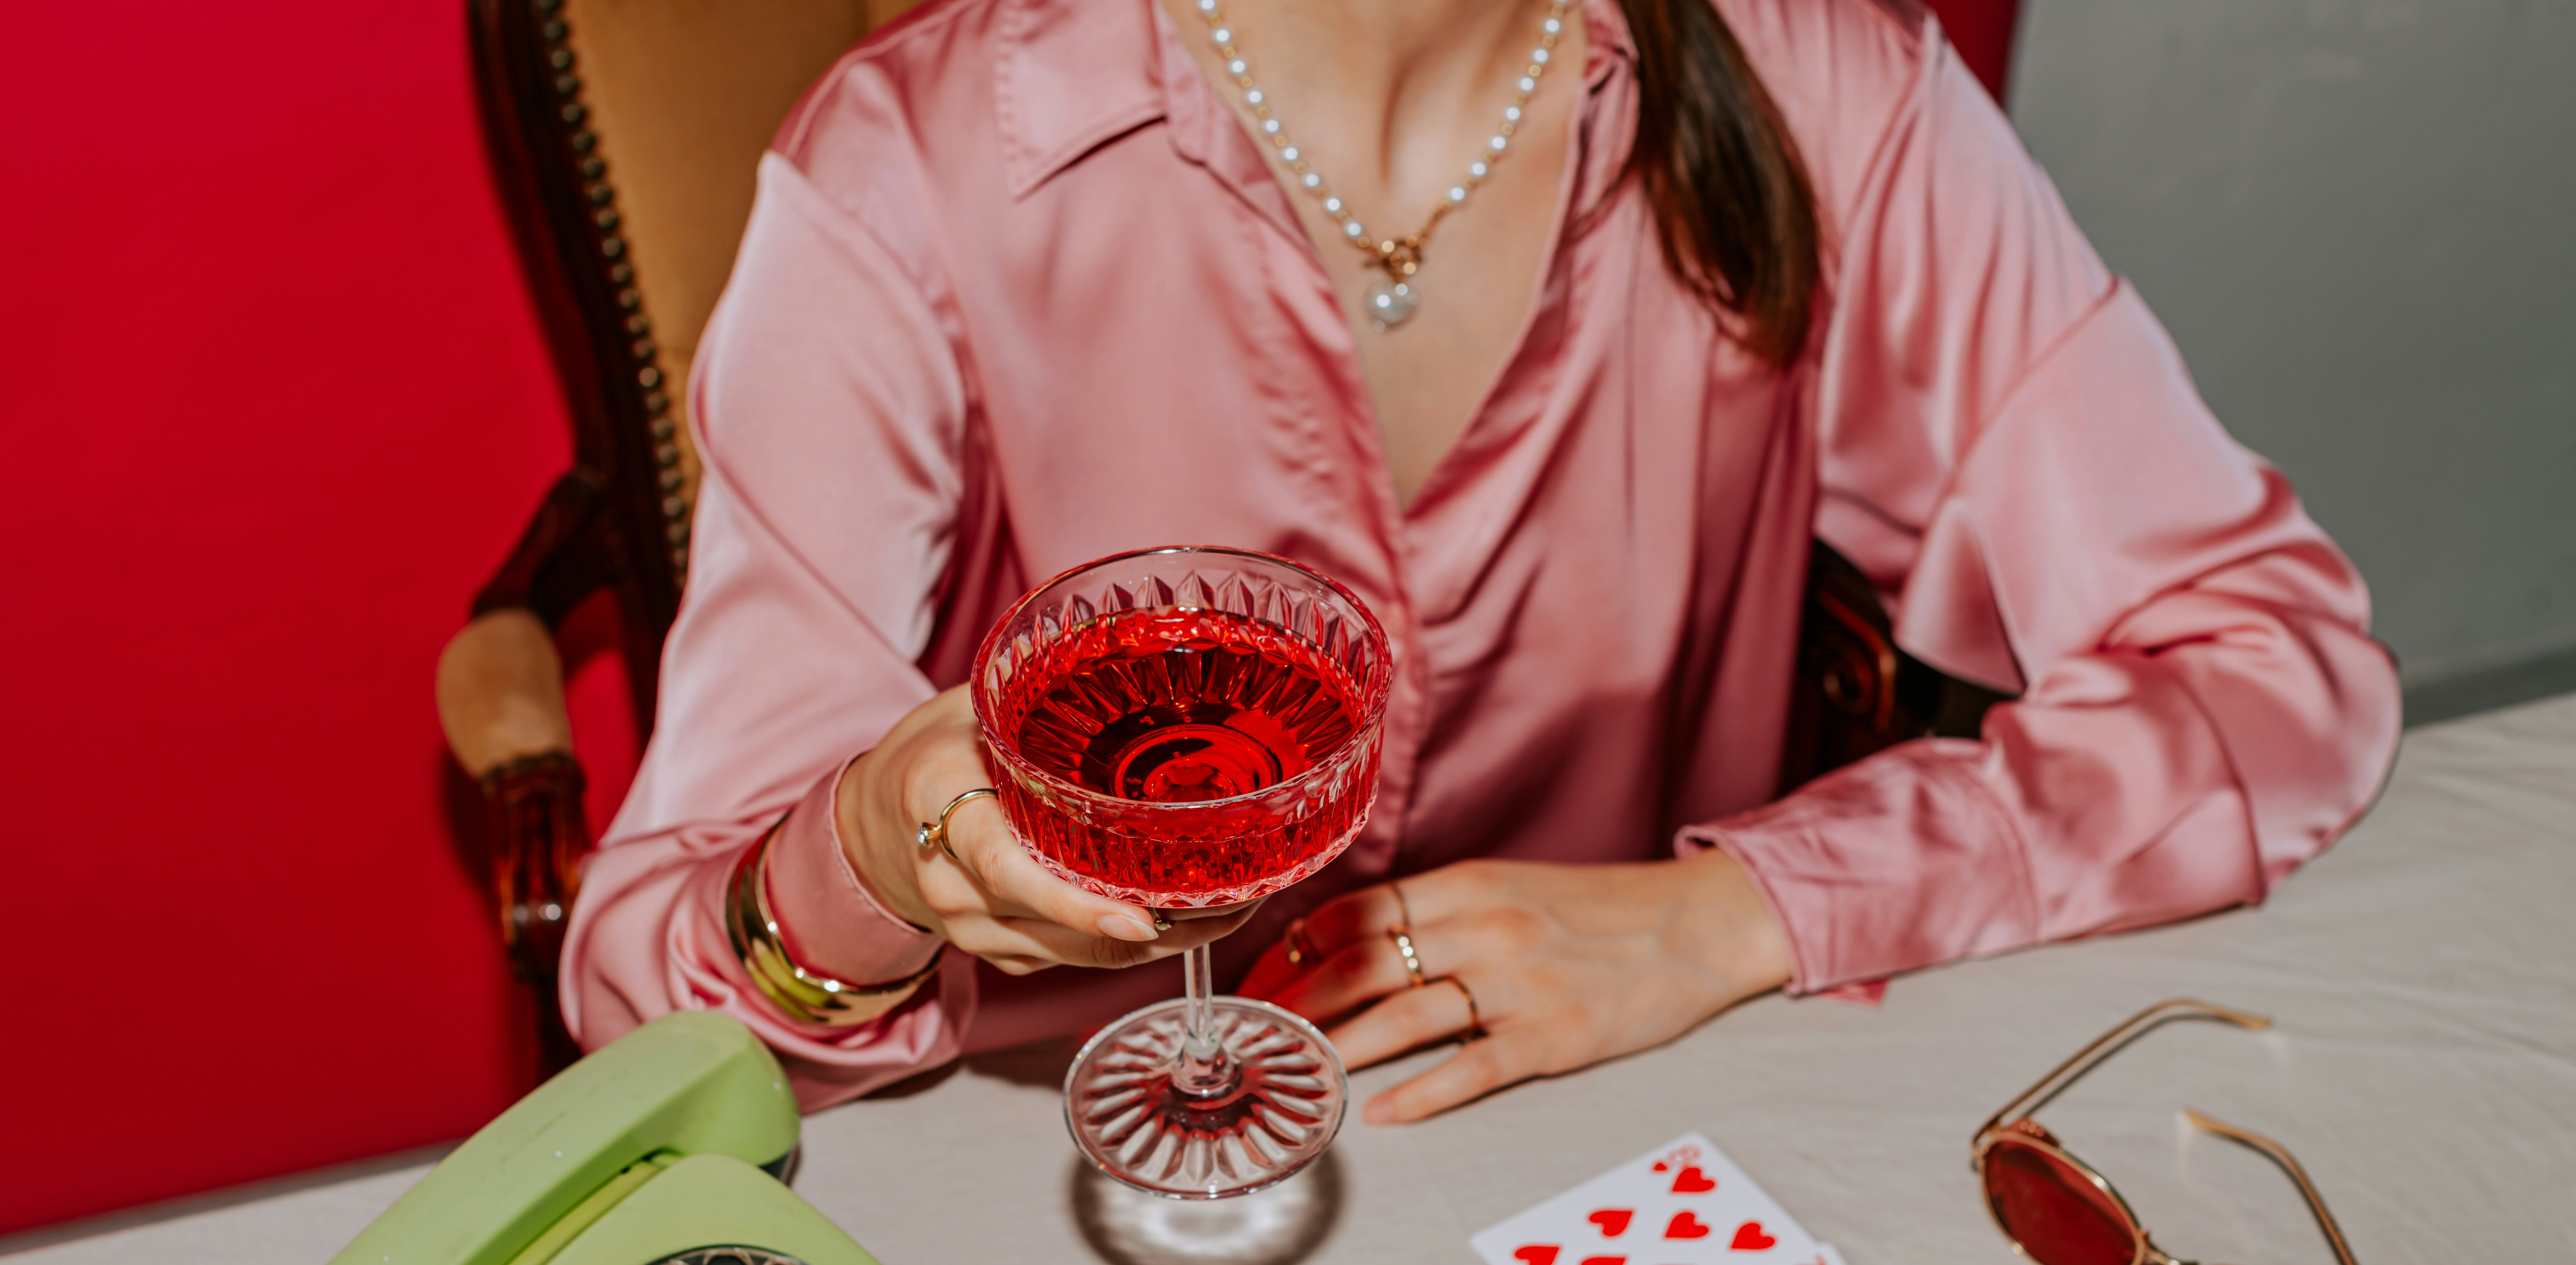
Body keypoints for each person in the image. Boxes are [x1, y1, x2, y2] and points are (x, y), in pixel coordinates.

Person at [561, 0, 2397, 1126]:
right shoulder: (926, 157)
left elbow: (2273, 674)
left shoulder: (1831, 88)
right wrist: (873, 856)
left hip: (1619, 1118)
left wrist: (1745, 906)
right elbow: (646, 989)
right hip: (1044, 1183)